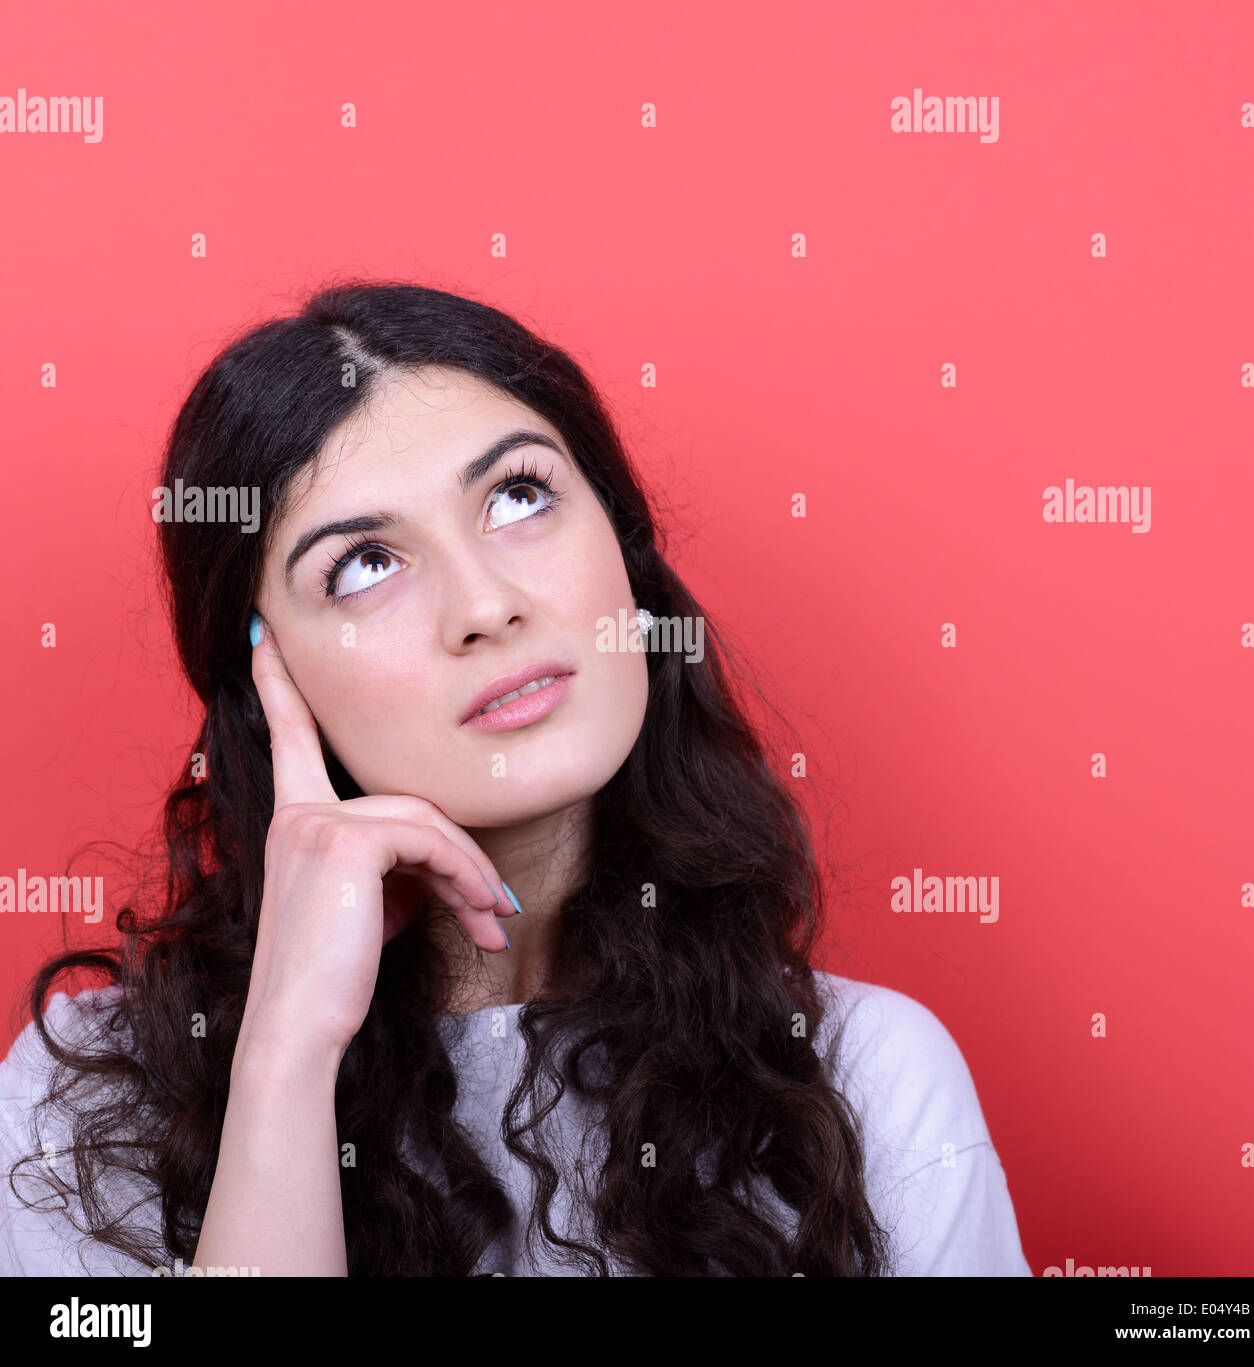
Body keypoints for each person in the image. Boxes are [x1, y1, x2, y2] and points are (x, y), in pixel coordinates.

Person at [0, 281, 1031, 1276]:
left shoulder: (863, 1079)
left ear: (627, 557)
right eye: (363, 562)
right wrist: (286, 1053)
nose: (485, 604)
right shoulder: (83, 1108)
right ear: (269, 679)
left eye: (520, 494)